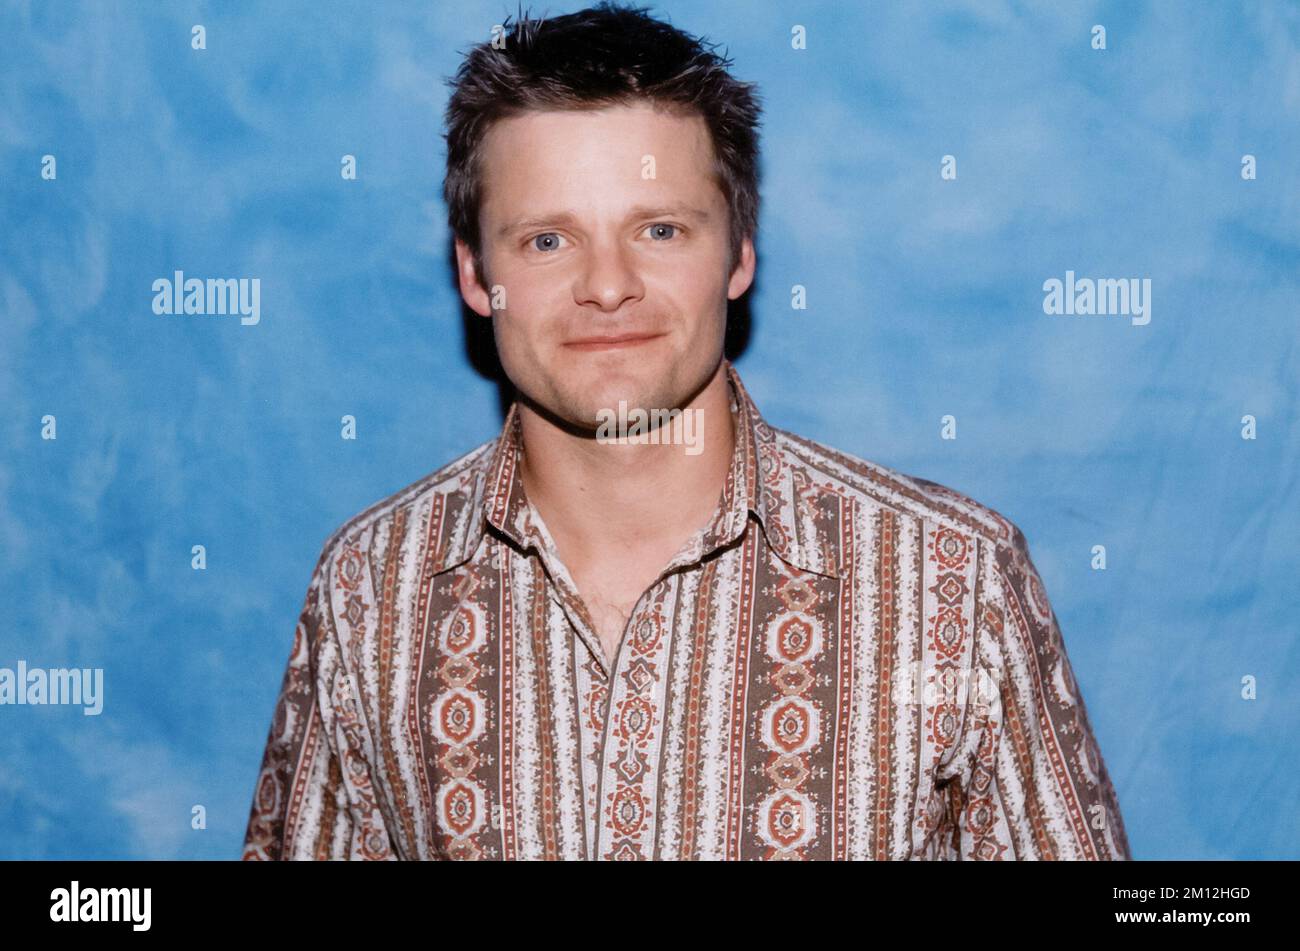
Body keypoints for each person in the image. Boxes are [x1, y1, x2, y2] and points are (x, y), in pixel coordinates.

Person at [241, 1, 1131, 860]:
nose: (608, 285)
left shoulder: (953, 580)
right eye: (547, 241)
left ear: (739, 253)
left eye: (659, 229)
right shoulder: (368, 592)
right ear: (475, 274)